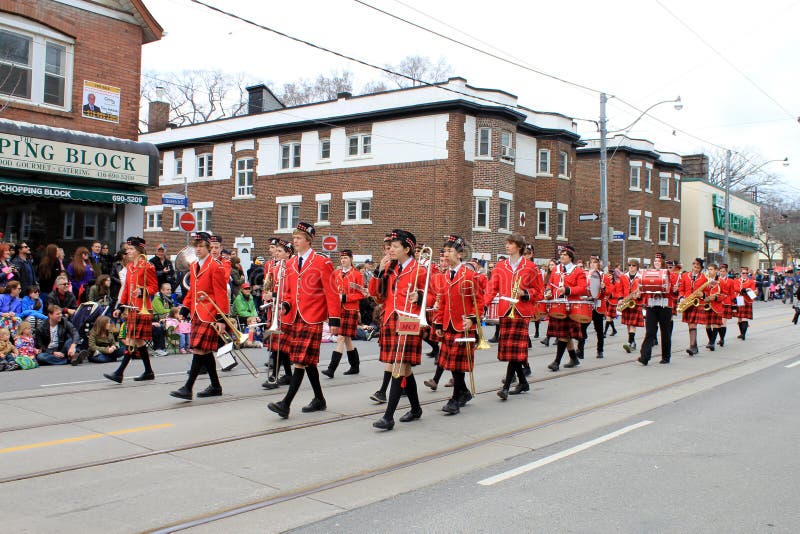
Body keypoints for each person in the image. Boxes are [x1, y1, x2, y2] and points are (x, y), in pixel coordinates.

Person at [267, 222, 341, 419]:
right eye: (294, 238)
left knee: (300, 361)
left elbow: (331, 292)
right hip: (296, 317)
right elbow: (290, 292)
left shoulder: (322, 262)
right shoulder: (290, 263)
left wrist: (334, 320)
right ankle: (319, 399)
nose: (295, 241)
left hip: (313, 317)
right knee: (308, 362)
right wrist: (285, 305)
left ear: (308, 240)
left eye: (298, 238)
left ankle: (285, 403)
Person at [367, 229, 428, 430]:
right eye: (390, 246)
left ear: (407, 248)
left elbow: (434, 296)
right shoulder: (390, 268)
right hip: (391, 319)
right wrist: (378, 271)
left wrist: (420, 296)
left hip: (409, 319)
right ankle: (416, 409)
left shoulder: (421, 270)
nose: (390, 249)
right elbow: (377, 296)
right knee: (405, 369)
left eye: (394, 246)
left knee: (398, 367)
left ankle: (388, 417)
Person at [170, 232, 229, 400]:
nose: (198, 249)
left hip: (210, 313)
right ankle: (216, 386)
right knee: (204, 350)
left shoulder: (216, 266)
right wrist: (184, 309)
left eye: (201, 246)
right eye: (196, 246)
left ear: (209, 247)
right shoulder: (194, 265)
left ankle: (188, 388)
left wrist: (221, 318)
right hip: (197, 312)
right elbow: (192, 291)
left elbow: (221, 294)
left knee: (199, 349)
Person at [482, 233, 542, 397]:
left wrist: (526, 293)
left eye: (510, 243)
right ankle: (523, 382)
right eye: (507, 243)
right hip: (505, 311)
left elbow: (540, 293)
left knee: (514, 352)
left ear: (519, 246)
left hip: (521, 312)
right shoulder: (500, 267)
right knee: (511, 351)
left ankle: (506, 387)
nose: (507, 246)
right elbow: (491, 289)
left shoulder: (531, 267)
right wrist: (483, 305)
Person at [433, 234, 485, 414]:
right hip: (448, 325)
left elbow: (479, 302)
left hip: (463, 325)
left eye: (450, 251)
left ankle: (455, 399)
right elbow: (443, 302)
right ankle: (463, 392)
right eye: (445, 251)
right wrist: (439, 323)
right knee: (451, 364)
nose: (446, 254)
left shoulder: (470, 275)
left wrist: (472, 318)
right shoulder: (445, 275)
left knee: (456, 365)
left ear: (460, 254)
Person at [103, 237, 158, 384]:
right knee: (138, 341)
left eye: (132, 249)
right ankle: (148, 371)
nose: (129, 251)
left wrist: (143, 290)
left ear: (139, 250)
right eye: (128, 249)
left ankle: (119, 373)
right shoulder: (130, 267)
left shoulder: (148, 266)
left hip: (142, 308)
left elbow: (154, 287)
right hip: (131, 308)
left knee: (132, 340)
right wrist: (120, 307)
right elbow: (126, 288)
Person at [544, 244, 588, 372]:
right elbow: (549, 284)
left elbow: (583, 288)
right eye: (561, 254)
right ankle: (574, 358)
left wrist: (568, 290)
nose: (561, 256)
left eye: (564, 255)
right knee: (565, 334)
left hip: (571, 307)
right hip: (557, 305)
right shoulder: (555, 269)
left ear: (570, 257)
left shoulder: (578, 271)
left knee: (564, 334)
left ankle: (556, 362)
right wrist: (547, 291)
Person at [322, 250, 364, 378]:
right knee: (347, 339)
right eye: (342, 258)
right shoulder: (336, 273)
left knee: (340, 337)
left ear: (351, 259)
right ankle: (355, 366)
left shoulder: (357, 274)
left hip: (350, 309)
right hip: (338, 310)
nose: (343, 260)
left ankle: (331, 369)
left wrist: (344, 297)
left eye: (345, 258)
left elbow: (361, 294)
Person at [262, 239, 295, 389]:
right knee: (279, 345)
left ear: (288, 253)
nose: (277, 253)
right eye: (277, 251)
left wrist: (274, 296)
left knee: (279, 345)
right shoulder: (275, 268)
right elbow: (272, 286)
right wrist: (267, 294)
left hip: (286, 310)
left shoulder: (292, 268)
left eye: (280, 251)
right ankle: (288, 374)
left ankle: (274, 376)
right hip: (275, 309)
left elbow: (290, 292)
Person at [637, 253, 677, 365]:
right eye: (655, 261)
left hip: (665, 306)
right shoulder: (648, 273)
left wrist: (674, 289)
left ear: (663, 262)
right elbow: (644, 288)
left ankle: (666, 356)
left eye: (659, 261)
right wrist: (640, 294)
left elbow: (674, 293)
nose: (656, 263)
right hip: (652, 305)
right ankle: (644, 356)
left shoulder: (670, 274)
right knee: (650, 331)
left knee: (665, 332)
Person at [578, 256, 607, 359]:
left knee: (599, 330)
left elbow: (607, 293)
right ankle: (580, 350)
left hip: (598, 306)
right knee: (582, 328)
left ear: (598, 264)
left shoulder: (603, 276)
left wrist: (603, 288)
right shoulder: (585, 275)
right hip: (587, 305)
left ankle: (600, 350)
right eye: (591, 263)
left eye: (595, 263)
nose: (593, 264)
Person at [679, 258, 709, 355]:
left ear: (701, 268)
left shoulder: (704, 278)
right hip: (687, 302)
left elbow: (707, 292)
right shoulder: (684, 276)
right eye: (694, 265)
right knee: (690, 324)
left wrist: (703, 295)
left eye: (698, 266)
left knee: (693, 324)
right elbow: (681, 289)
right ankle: (695, 346)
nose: (695, 268)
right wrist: (681, 298)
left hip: (697, 303)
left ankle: (692, 346)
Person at [619, 259, 644, 353]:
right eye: (629, 265)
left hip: (635, 303)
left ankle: (630, 342)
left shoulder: (640, 277)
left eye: (633, 265)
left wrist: (639, 295)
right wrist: (620, 299)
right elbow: (620, 289)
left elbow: (643, 290)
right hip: (626, 302)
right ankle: (632, 342)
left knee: (633, 323)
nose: (631, 267)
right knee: (628, 324)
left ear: (637, 267)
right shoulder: (623, 276)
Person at [151, 282, 176, 357]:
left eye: (170, 289)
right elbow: (161, 311)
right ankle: (159, 349)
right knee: (159, 327)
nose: (169, 291)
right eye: (167, 290)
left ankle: (185, 346)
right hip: (157, 319)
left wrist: (174, 311)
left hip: (167, 318)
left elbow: (173, 310)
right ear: (162, 290)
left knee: (184, 324)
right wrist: (173, 310)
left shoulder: (169, 299)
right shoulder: (157, 299)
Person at [734, 266, 756, 340]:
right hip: (740, 299)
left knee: (744, 317)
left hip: (747, 300)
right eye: (743, 273)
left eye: (746, 273)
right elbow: (735, 288)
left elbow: (752, 289)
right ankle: (741, 333)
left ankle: (743, 334)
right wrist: (742, 289)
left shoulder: (751, 281)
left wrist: (746, 290)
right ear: (741, 273)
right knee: (740, 317)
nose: (745, 274)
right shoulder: (737, 280)